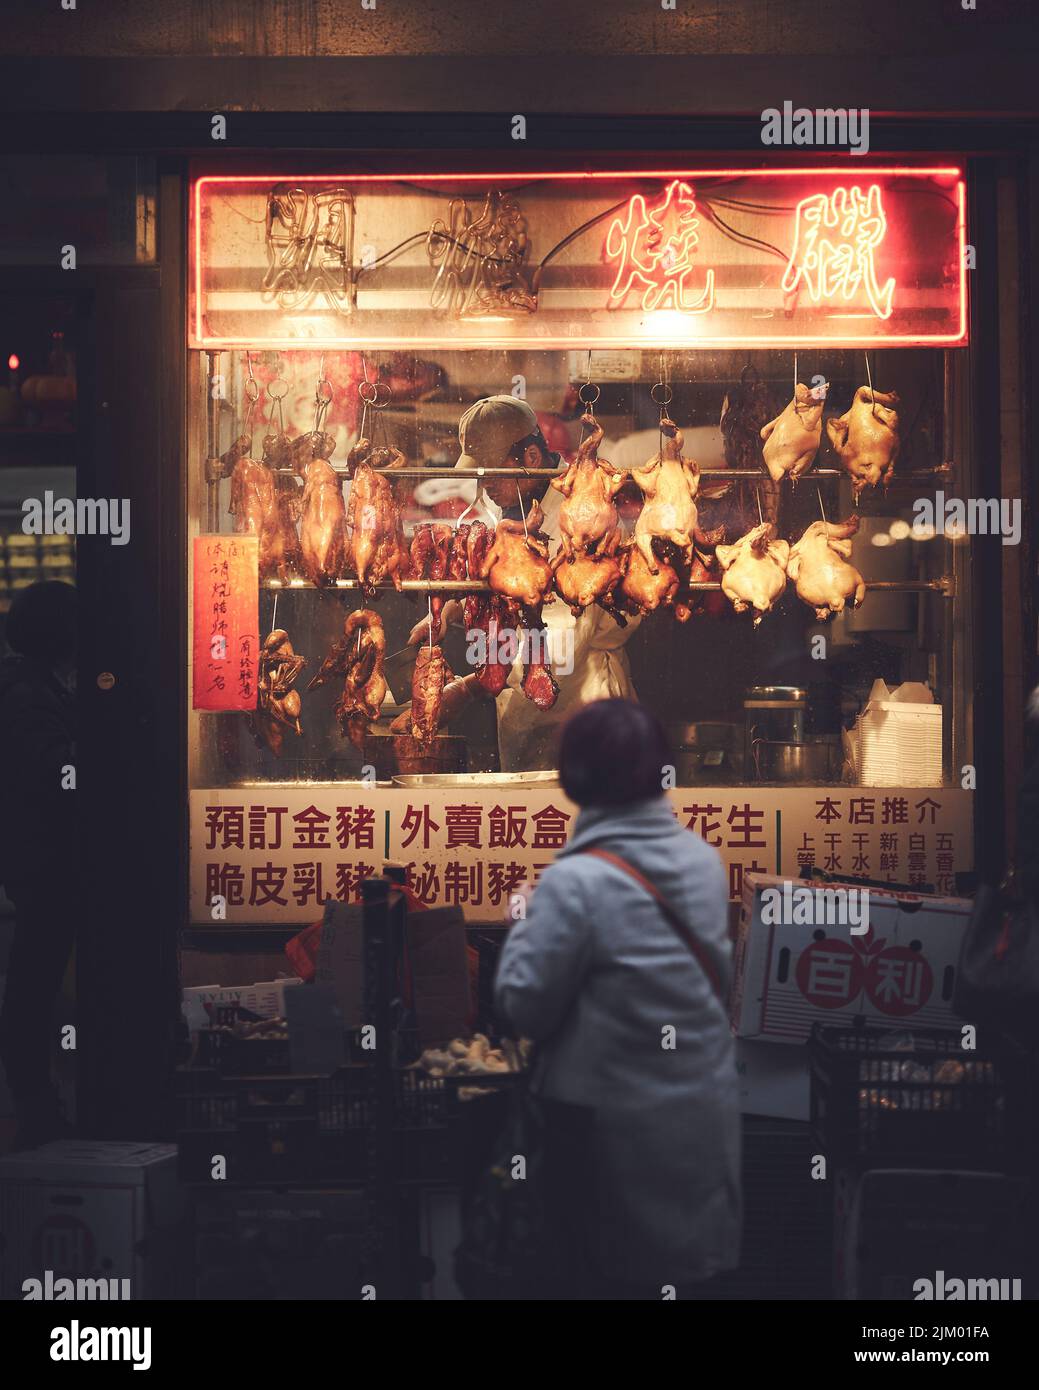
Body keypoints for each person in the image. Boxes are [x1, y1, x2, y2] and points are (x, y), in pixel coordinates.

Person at [494, 698, 741, 1299]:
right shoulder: (705, 864)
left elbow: (523, 1006)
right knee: (686, 1278)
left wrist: (524, 915)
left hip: (605, 1137)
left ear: (576, 780)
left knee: (608, 1278)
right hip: (700, 1124)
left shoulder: (576, 882)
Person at [408, 394, 641, 770]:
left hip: (586, 709)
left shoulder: (583, 517)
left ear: (532, 458)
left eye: (494, 473)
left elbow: (567, 638)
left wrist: (469, 688)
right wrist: (452, 608)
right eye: (480, 476)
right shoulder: (509, 503)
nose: (486, 488)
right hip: (522, 715)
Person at [0, 580, 77, 1147]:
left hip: (41, 861)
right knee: (34, 986)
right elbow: (55, 776)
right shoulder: (27, 695)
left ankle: (42, 1105)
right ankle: (37, 1109)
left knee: (38, 981)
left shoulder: (36, 685)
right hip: (45, 864)